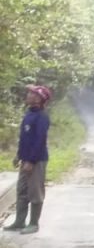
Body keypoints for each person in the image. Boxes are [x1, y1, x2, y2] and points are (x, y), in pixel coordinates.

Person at [4, 85, 51, 235]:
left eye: (32, 94)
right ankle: (20, 221)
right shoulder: (29, 114)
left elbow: (39, 141)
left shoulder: (41, 117)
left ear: (39, 99)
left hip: (37, 160)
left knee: (35, 191)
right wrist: (19, 155)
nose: (28, 95)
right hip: (25, 158)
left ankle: (33, 223)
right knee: (22, 190)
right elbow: (24, 138)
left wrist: (31, 161)